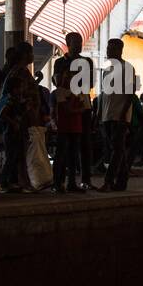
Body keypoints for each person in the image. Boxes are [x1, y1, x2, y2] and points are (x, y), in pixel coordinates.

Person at [0, 41, 43, 194]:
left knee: (19, 152)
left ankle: (18, 181)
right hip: (20, 118)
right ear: (24, 55)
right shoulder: (20, 72)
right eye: (31, 53)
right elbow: (22, 94)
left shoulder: (18, 71)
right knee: (19, 152)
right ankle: (22, 182)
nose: (32, 56)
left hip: (22, 117)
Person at [52, 32, 95, 191]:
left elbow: (89, 83)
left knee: (84, 143)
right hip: (67, 106)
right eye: (75, 42)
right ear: (67, 43)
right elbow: (58, 83)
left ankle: (83, 179)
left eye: (80, 41)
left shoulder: (87, 62)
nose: (78, 45)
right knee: (64, 145)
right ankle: (60, 181)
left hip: (82, 105)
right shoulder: (60, 62)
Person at [98, 38, 137, 191]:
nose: (108, 51)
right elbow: (104, 94)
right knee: (116, 149)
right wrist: (99, 113)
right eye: (108, 48)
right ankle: (121, 182)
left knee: (117, 149)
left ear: (120, 50)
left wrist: (122, 114)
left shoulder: (127, 68)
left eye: (111, 49)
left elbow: (130, 93)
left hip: (119, 115)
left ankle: (108, 181)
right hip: (107, 114)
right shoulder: (107, 69)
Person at [52, 69, 89, 193]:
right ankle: (58, 183)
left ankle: (70, 183)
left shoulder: (65, 93)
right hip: (65, 127)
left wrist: (75, 109)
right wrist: (77, 108)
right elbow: (75, 109)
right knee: (61, 156)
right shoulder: (60, 92)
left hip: (74, 127)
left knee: (71, 157)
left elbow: (77, 108)